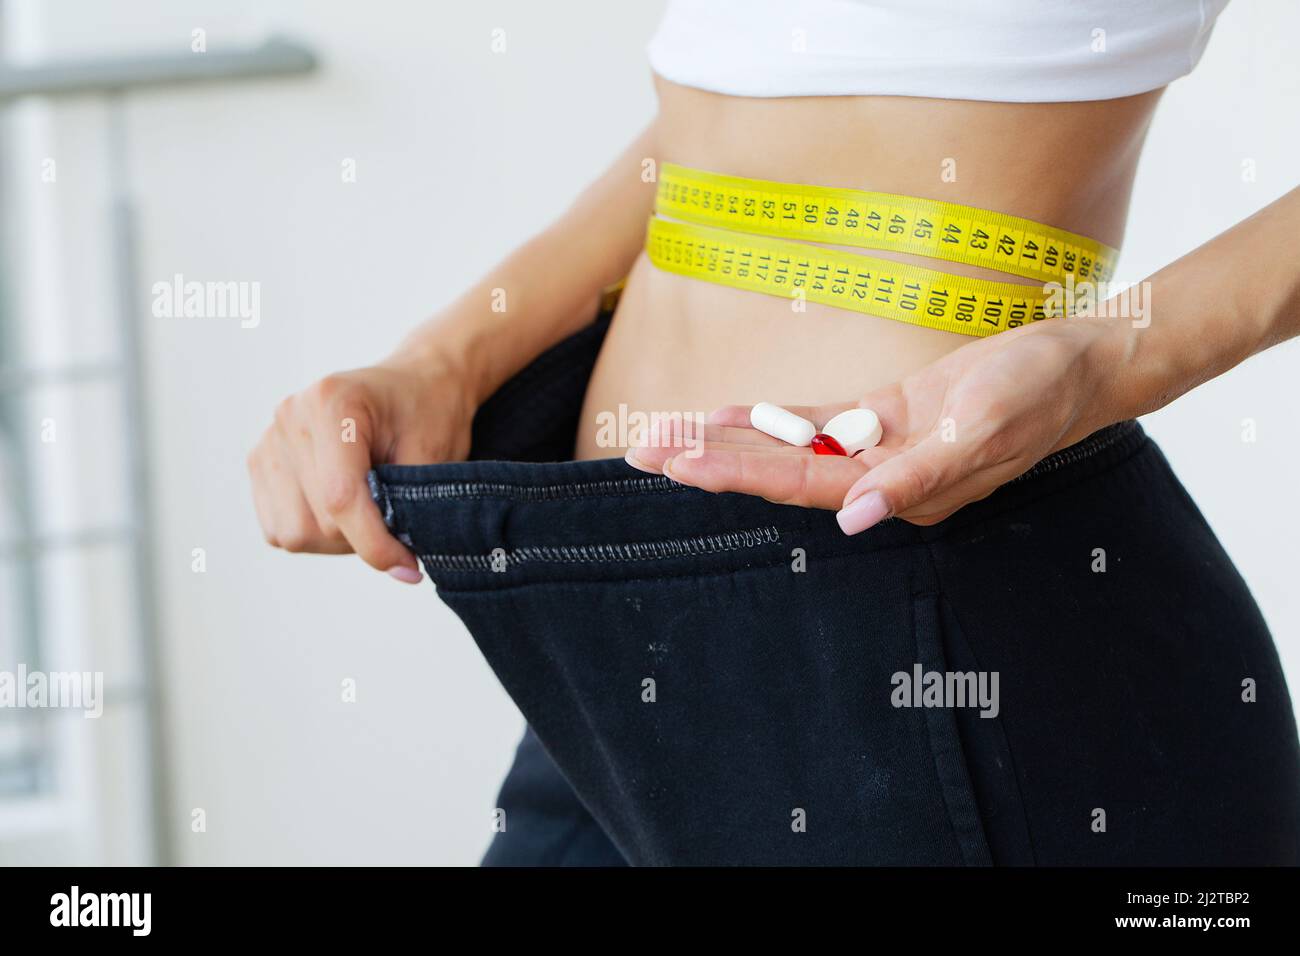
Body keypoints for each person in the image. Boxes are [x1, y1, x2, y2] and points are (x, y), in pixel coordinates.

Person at [248, 0, 1300, 865]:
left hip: (918, 619)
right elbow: (745, 127)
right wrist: (451, 355)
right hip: (604, 615)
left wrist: (1110, 356)